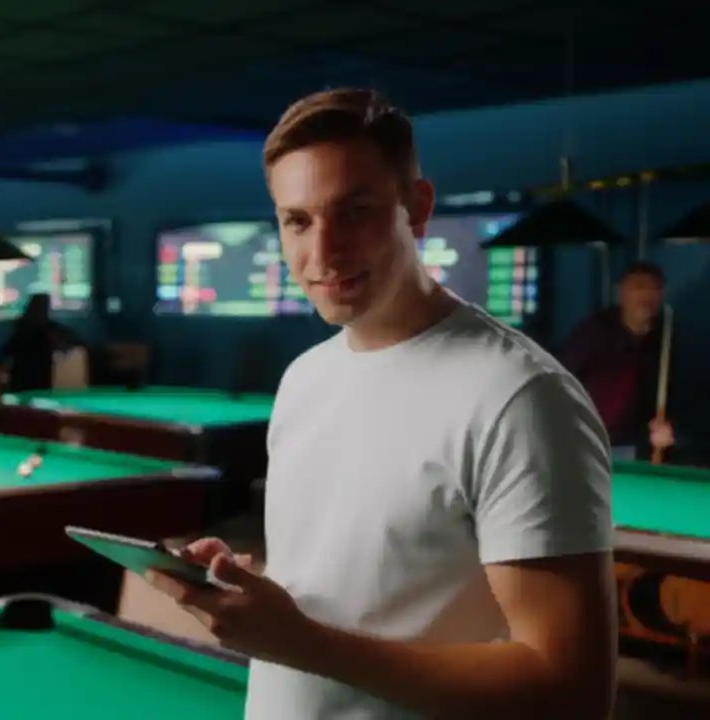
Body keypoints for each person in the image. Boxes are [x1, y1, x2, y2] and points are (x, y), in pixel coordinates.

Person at [145, 89, 616, 719]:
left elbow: (571, 692)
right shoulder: (304, 377)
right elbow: (339, 584)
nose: (323, 253)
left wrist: (298, 641)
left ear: (416, 208)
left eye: (355, 212)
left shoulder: (521, 398)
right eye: (298, 220)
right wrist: (252, 592)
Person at [560, 263, 674, 461]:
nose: (647, 295)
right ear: (622, 292)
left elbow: (671, 396)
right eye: (639, 287)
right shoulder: (595, 332)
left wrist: (667, 429)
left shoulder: (665, 337)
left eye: (655, 288)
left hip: (634, 445)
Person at [0, 293, 80, 392]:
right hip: (41, 376)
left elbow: (6, 352)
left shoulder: (21, 327)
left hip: (20, 376)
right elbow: (72, 341)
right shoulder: (49, 329)